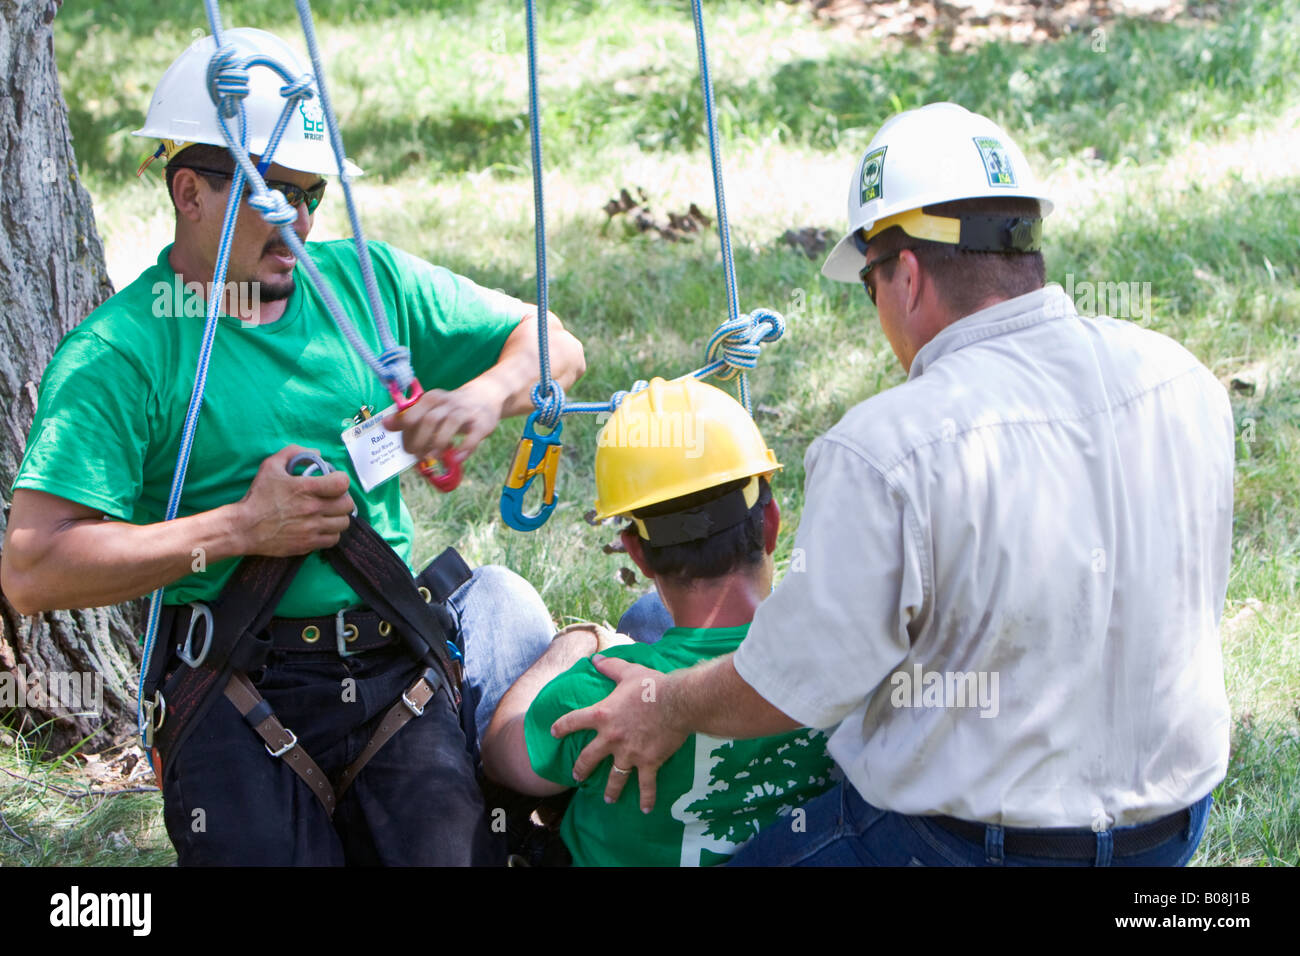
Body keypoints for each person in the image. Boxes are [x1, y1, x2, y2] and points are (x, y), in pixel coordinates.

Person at [547, 102, 1234, 867]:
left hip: (960, 849)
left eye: (868, 285)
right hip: (1169, 832)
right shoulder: (1179, 377)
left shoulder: (888, 446)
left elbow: (791, 684)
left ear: (905, 275)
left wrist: (665, 702)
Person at [1, 28, 585, 865]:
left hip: (394, 671)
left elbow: (553, 341)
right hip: (234, 683)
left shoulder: (366, 287)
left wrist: (482, 397)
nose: (299, 221)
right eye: (269, 196)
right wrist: (241, 528)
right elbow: (32, 570)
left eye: (309, 195)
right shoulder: (122, 354)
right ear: (188, 193)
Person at [479, 377, 837, 865]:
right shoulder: (844, 657)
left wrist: (579, 644)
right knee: (650, 617)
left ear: (637, 554)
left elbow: (502, 758)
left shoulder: (605, 692)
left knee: (497, 595)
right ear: (771, 522)